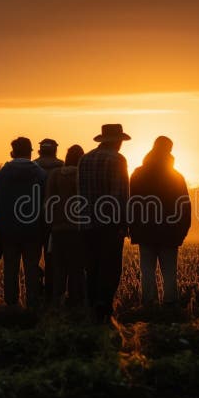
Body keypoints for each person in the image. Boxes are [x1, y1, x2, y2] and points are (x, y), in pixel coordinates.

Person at [129, 136, 192, 308]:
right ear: (169, 151)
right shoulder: (176, 176)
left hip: (144, 231)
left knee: (147, 270)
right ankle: (170, 303)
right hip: (170, 232)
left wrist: (133, 227)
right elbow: (185, 205)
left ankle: (149, 304)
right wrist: (182, 231)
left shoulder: (137, 174)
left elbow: (131, 202)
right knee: (169, 271)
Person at [78, 124, 131, 322]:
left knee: (91, 267)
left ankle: (91, 306)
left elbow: (80, 193)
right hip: (109, 224)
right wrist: (123, 223)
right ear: (117, 141)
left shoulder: (85, 159)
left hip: (86, 223)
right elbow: (119, 194)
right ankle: (104, 305)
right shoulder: (117, 159)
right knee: (110, 266)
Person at [0, 137, 47, 308]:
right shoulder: (40, 174)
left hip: (8, 231)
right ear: (30, 152)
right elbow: (47, 203)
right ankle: (32, 306)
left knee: (10, 270)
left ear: (12, 152)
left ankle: (11, 307)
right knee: (31, 269)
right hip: (33, 231)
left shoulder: (2, 175)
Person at [44, 145, 86, 307]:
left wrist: (51, 223)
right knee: (77, 268)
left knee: (59, 268)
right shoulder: (82, 175)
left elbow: (48, 201)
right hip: (78, 229)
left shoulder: (55, 174)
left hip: (58, 229)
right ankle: (76, 303)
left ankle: (57, 303)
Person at [34, 138, 65, 302]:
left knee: (32, 257)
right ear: (55, 151)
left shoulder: (33, 166)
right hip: (55, 221)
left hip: (33, 220)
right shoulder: (62, 167)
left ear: (40, 151)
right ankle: (52, 296)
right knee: (52, 258)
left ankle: (34, 294)